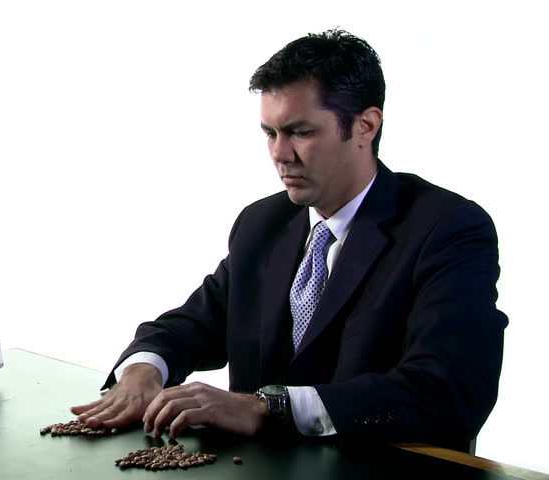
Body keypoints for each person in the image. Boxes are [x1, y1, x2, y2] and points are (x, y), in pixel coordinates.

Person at [71, 29, 506, 452]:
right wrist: (144, 369)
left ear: (365, 127)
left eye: (300, 132)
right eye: (270, 133)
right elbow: (193, 324)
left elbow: (449, 390)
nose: (280, 154)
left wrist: (269, 408)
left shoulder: (448, 228)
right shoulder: (263, 222)